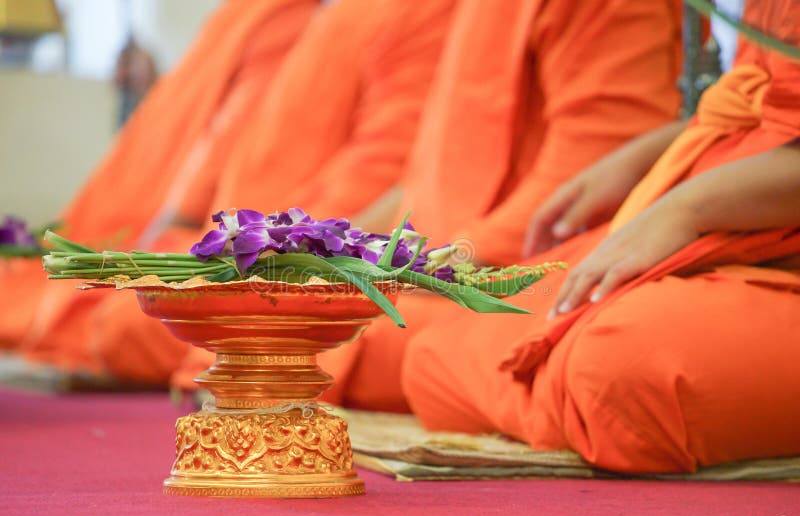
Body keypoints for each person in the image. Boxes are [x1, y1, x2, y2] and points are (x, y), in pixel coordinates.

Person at [401, 0, 800, 473]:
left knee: (616, 371)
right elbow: (747, 107)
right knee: (434, 354)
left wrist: (686, 209)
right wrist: (649, 156)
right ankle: (561, 389)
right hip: (720, 205)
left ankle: (564, 387)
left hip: (755, 233)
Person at [3, 0, 456, 385]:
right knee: (91, 300)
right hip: (250, 239)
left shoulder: (414, 13)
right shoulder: (287, 15)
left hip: (326, 251)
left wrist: (291, 248)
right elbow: (225, 154)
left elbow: (390, 170)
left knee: (128, 318)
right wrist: (195, 228)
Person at [287, 0, 685, 412]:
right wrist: (320, 250)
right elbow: (422, 182)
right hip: (437, 276)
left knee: (279, 337)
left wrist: (414, 272)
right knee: (257, 311)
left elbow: (580, 190)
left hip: (518, 282)